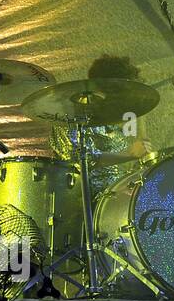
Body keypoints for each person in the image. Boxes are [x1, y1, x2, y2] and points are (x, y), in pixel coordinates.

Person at [49, 54, 154, 196]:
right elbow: (82, 161)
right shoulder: (70, 118)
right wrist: (129, 153)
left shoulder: (115, 123)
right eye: (122, 94)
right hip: (83, 202)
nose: (124, 102)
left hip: (117, 197)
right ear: (106, 90)